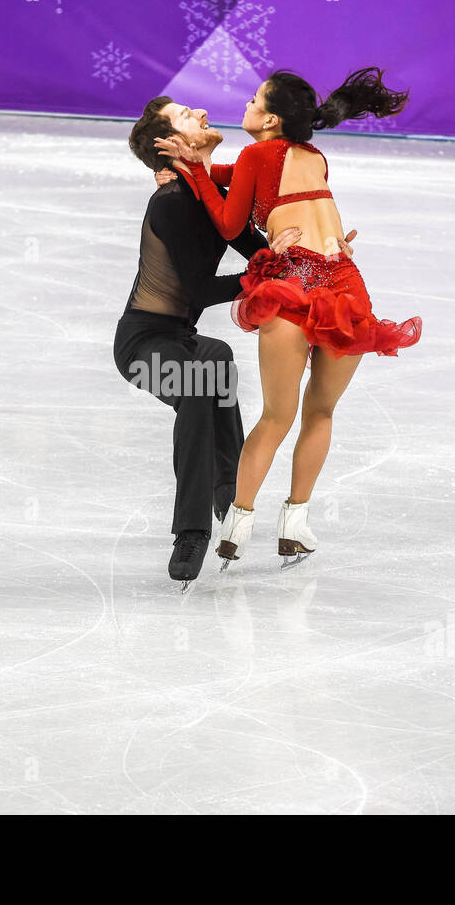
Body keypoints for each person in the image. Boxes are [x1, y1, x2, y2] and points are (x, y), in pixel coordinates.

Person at [153, 68, 422, 568]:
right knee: (321, 413)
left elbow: (231, 220)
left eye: (255, 99)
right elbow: (235, 185)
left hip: (296, 283)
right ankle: (295, 524)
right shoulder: (315, 156)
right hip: (345, 285)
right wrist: (195, 170)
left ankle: (237, 524)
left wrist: (190, 173)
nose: (247, 104)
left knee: (277, 415)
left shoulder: (256, 155)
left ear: (271, 119)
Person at [116, 96, 305, 587]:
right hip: (142, 346)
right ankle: (192, 530)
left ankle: (227, 491)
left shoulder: (207, 194)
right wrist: (259, 276)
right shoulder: (173, 201)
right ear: (173, 145)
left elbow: (259, 251)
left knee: (216, 358)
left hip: (182, 337)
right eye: (185, 116)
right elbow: (202, 290)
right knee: (201, 384)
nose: (200, 113)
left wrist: (315, 255)